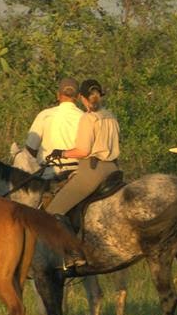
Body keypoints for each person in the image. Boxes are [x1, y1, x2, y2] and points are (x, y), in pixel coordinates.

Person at [46, 79, 120, 268]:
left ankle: (73, 254)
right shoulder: (110, 115)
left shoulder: (88, 118)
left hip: (93, 170)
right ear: (100, 95)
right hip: (113, 168)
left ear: (81, 98)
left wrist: (60, 153)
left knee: (52, 211)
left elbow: (83, 151)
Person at [25, 78, 84, 180]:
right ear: (78, 96)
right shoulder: (85, 118)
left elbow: (30, 149)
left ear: (58, 95)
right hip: (77, 175)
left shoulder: (45, 115)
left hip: (47, 174)